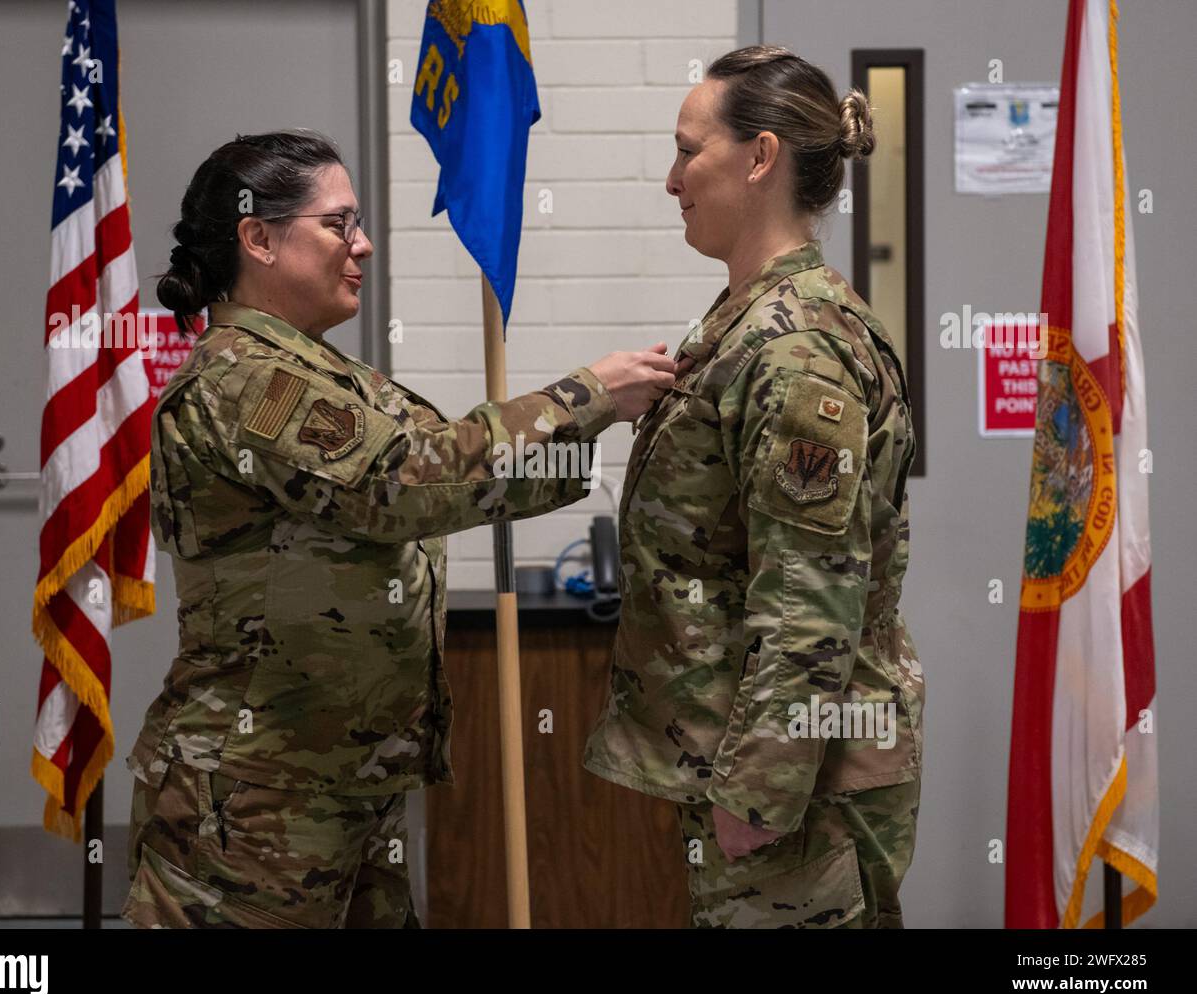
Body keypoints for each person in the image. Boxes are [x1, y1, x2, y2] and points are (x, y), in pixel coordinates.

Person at [122, 130, 676, 929]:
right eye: (339, 224)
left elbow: (444, 477)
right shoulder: (245, 380)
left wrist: (600, 441)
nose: (364, 245)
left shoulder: (319, 370)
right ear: (259, 237)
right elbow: (405, 481)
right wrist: (588, 396)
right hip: (254, 798)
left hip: (341, 780)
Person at [582, 45, 925, 928]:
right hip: (752, 762)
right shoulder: (744, 324)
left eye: (688, 150)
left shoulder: (793, 345)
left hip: (793, 787)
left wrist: (761, 790)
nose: (671, 179)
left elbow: (811, 590)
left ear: (761, 157)